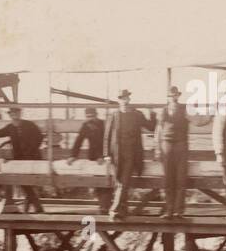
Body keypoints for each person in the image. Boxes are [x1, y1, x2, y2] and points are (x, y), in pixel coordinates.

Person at [104, 90, 153, 220]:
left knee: (123, 182)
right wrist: (106, 155)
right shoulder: (114, 116)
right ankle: (123, 210)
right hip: (117, 155)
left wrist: (152, 112)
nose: (124, 101)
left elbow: (151, 127)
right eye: (122, 99)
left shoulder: (137, 115)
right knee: (119, 182)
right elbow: (107, 137)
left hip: (132, 154)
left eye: (126, 98)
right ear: (119, 101)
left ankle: (114, 210)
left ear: (129, 99)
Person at [0, 107, 45, 212]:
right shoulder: (10, 127)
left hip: (33, 158)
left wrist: (30, 150)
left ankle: (35, 208)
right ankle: (36, 208)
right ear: (10, 115)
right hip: (19, 160)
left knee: (28, 183)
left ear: (20, 113)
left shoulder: (29, 125)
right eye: (12, 113)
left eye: (16, 113)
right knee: (24, 183)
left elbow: (39, 137)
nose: (14, 115)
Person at [155, 85, 191, 218]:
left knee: (181, 179)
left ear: (178, 96)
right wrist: (158, 148)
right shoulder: (163, 111)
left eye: (175, 95)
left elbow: (197, 121)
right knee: (168, 179)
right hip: (167, 145)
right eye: (170, 96)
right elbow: (158, 130)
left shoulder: (185, 109)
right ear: (168, 97)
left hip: (181, 145)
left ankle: (179, 211)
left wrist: (210, 115)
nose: (173, 98)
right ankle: (169, 210)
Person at [71, 106, 110, 212]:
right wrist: (73, 156)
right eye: (87, 116)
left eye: (92, 116)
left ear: (96, 115)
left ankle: (105, 206)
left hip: (105, 157)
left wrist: (103, 156)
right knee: (97, 182)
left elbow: (109, 141)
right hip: (93, 158)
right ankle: (103, 206)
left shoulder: (104, 124)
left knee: (106, 181)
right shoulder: (85, 126)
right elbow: (79, 141)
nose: (90, 118)